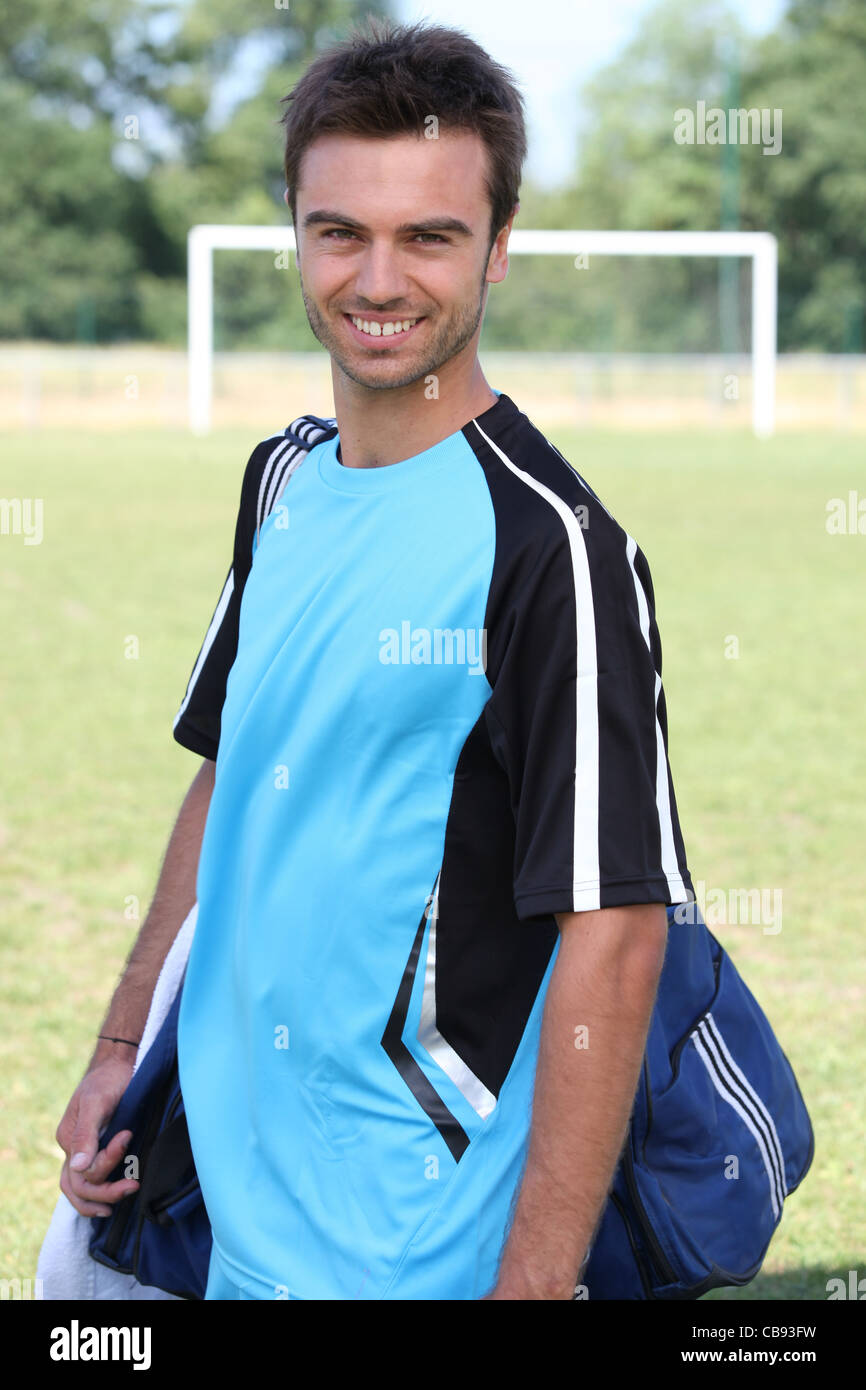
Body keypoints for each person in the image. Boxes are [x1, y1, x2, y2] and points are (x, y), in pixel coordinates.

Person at [55, 18, 695, 1300]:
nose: (376, 277)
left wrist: (526, 1290)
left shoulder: (549, 548)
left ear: (497, 247)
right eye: (339, 230)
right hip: (220, 1195)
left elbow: (616, 934)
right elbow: (230, 767)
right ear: (295, 230)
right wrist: (122, 1043)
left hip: (406, 1242)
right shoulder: (282, 474)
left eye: (429, 236)